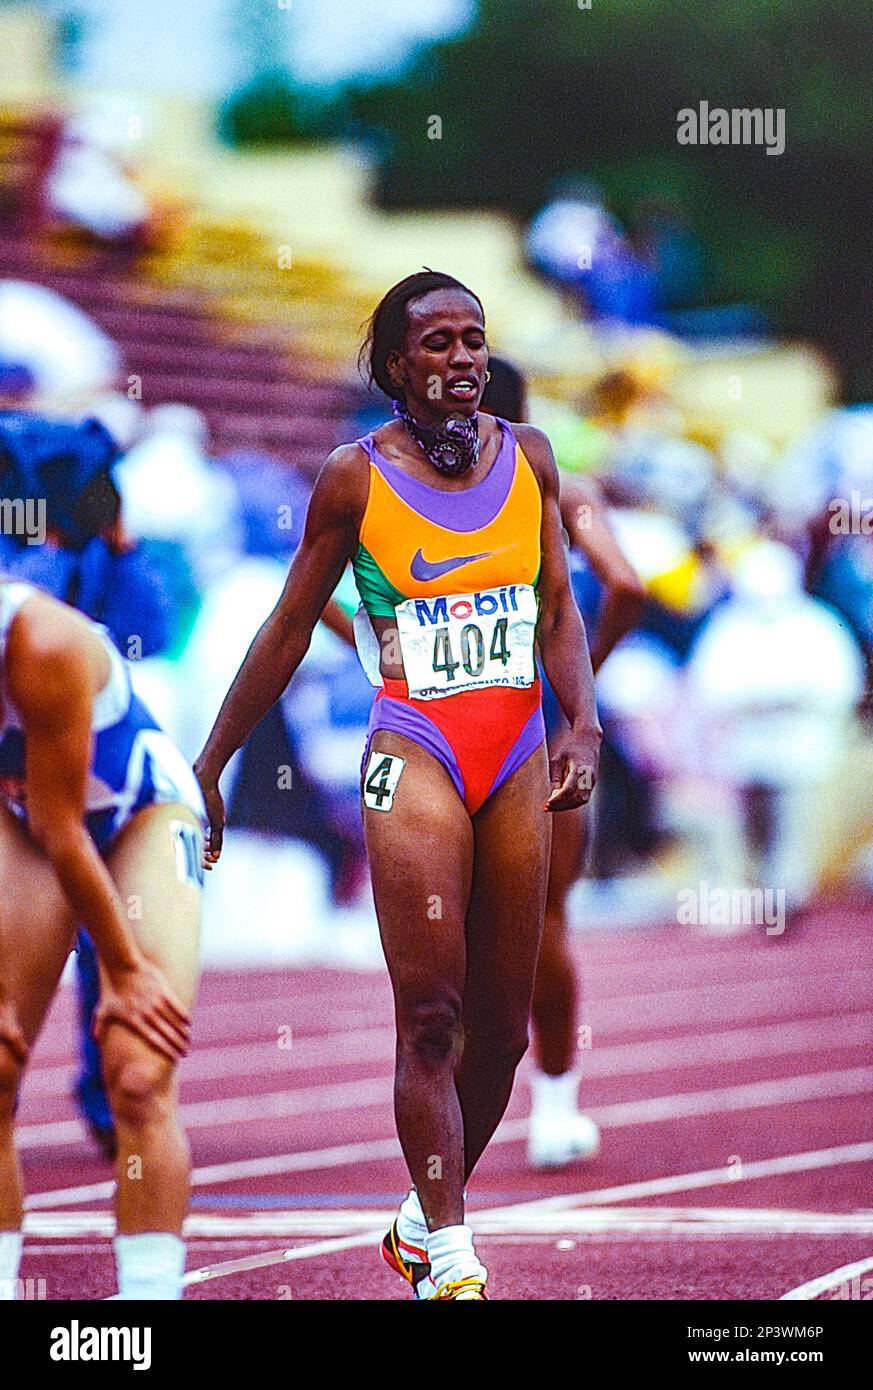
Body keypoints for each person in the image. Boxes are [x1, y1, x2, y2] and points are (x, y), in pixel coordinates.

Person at [194, 271, 602, 1300]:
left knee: (501, 1034)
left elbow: (557, 604)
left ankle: (423, 1217)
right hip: (414, 745)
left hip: (513, 751)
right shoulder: (354, 477)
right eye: (436, 344)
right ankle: (454, 1256)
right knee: (431, 1013)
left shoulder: (532, 458)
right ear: (392, 365)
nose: (462, 360)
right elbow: (288, 625)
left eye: (474, 341)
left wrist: (583, 723)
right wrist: (211, 763)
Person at [0, 577, 205, 1301]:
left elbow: (63, 827)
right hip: (21, 820)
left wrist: (125, 969)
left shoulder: (41, 639)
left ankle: (150, 1300)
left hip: (135, 811)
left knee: (138, 1068)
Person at [482, 358, 644, 1166]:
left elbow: (323, 601)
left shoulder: (402, 484)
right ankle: (551, 1106)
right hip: (543, 725)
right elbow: (625, 584)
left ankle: (472, 1108)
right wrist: (577, 692)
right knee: (542, 921)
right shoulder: (563, 486)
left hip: (444, 720)